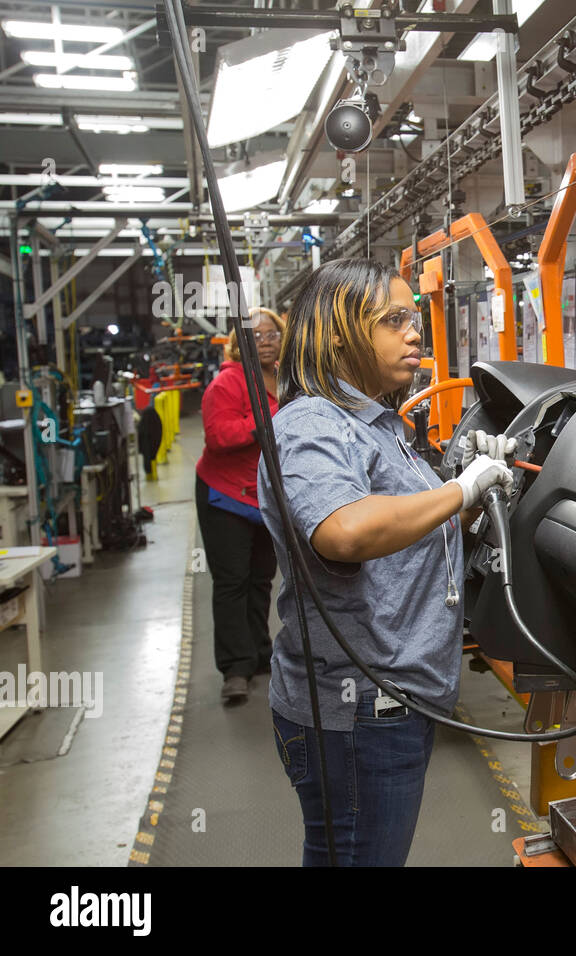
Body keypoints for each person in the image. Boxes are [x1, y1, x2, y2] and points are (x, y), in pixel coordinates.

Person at [257, 258, 514, 866]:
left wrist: (473, 497)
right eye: (393, 320)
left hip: (397, 697)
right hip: (358, 710)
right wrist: (459, 491)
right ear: (340, 334)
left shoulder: (377, 423)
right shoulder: (312, 424)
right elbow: (344, 531)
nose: (414, 332)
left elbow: (407, 531)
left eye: (414, 317)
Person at [195, 306, 283, 704]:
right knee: (232, 581)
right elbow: (218, 436)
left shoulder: (285, 379)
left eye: (271, 334)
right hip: (226, 495)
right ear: (239, 343)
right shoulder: (228, 383)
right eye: (255, 335)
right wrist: (260, 424)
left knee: (262, 578)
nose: (264, 341)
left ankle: (261, 655)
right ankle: (235, 668)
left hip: (265, 493)